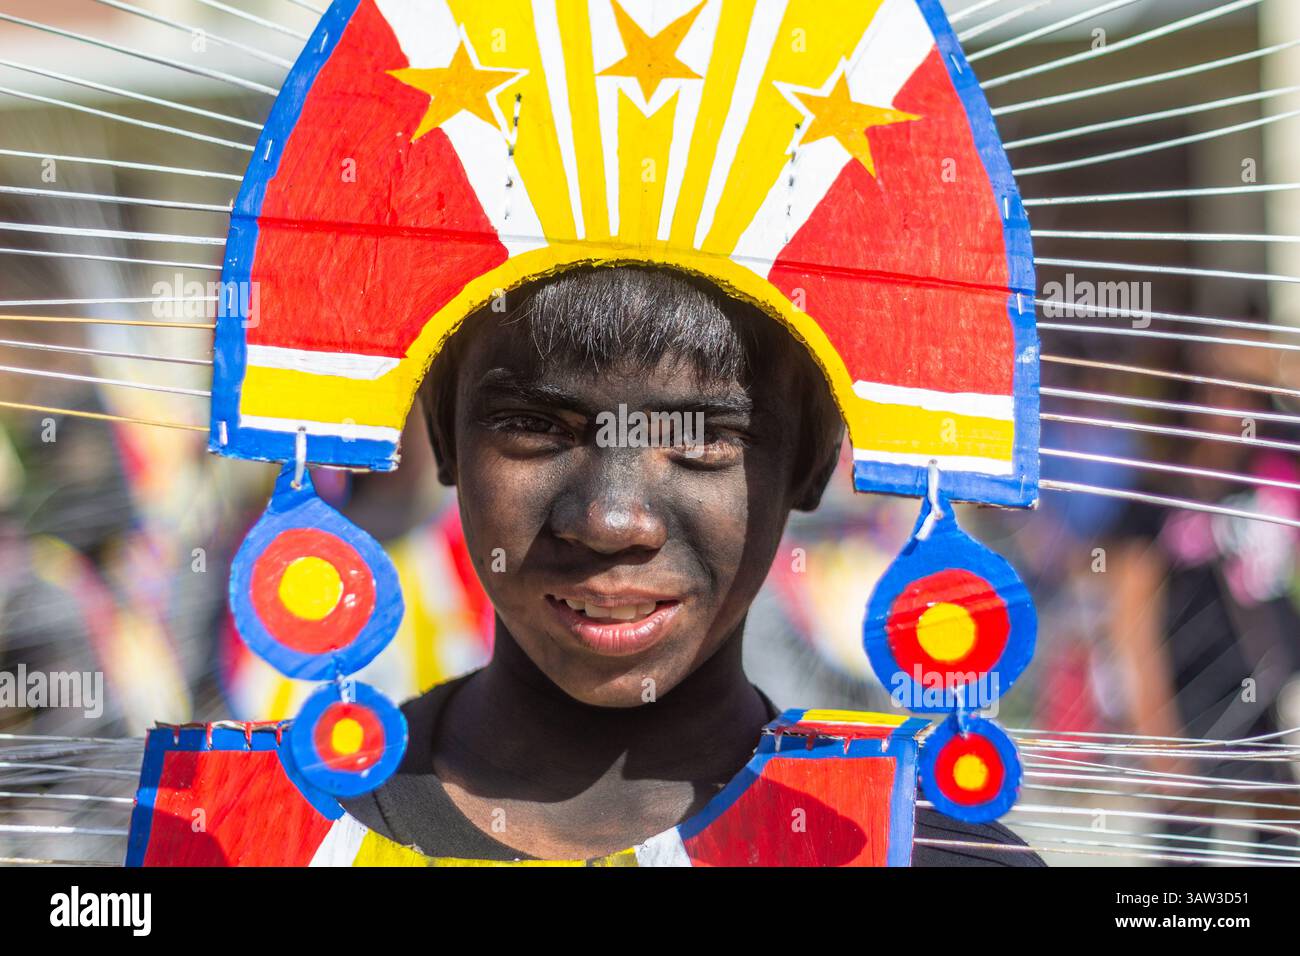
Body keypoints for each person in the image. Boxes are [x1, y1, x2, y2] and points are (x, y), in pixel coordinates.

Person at [340, 264, 1043, 867]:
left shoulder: (927, 856)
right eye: (536, 426)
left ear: (811, 461)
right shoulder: (269, 836)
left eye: (700, 437)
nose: (611, 521)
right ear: (442, 431)